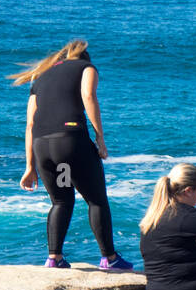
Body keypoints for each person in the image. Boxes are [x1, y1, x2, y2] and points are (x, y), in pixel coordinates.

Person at [11, 39, 132, 269]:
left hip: (42, 146)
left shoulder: (41, 77)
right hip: (70, 142)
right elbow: (88, 96)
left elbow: (29, 123)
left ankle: (53, 258)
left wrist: (30, 167)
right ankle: (110, 258)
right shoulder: (86, 68)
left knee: (61, 201)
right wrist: (100, 139)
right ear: (84, 57)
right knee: (96, 200)